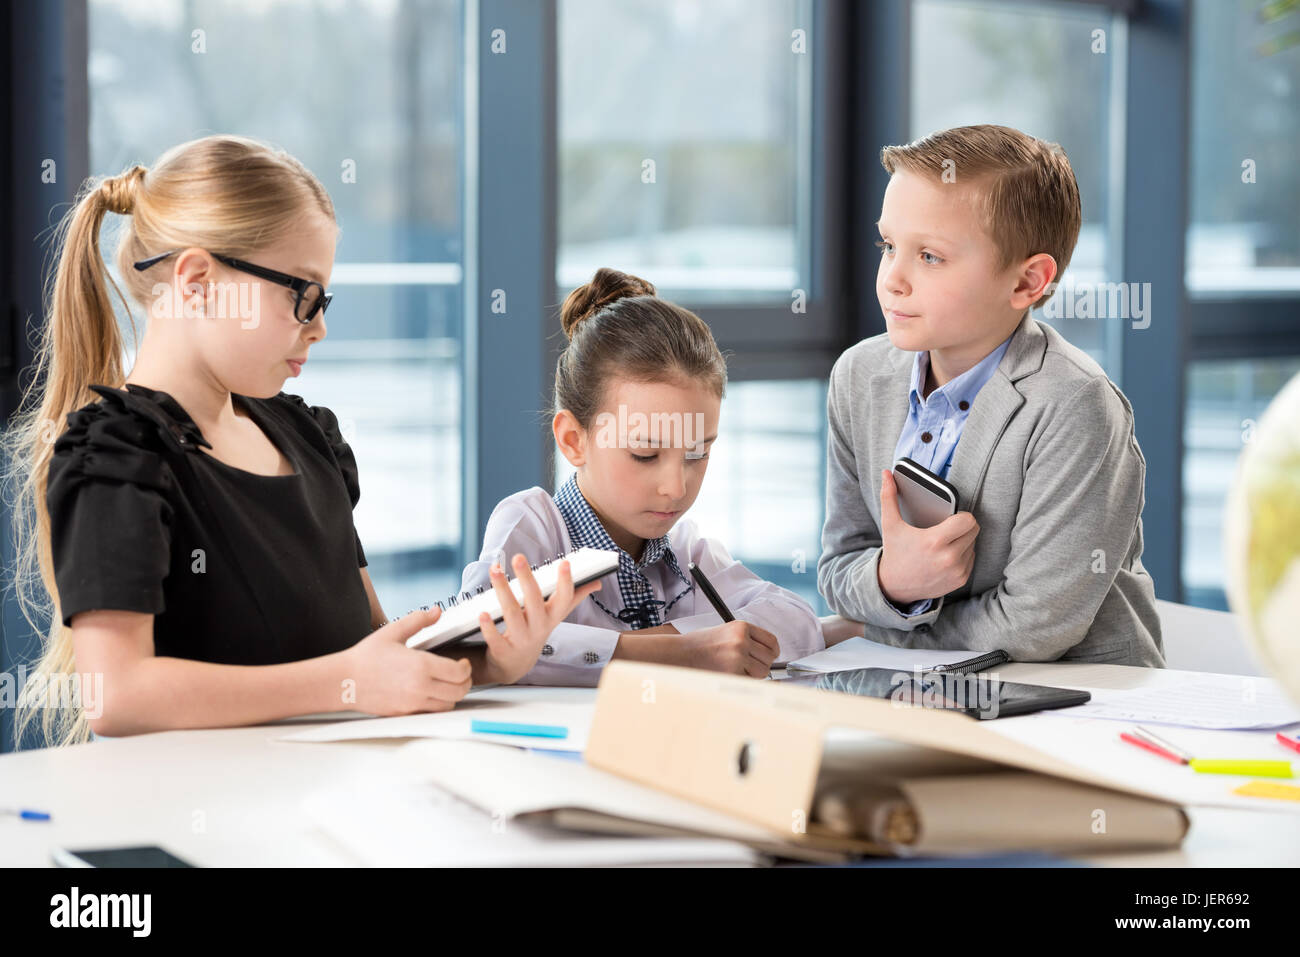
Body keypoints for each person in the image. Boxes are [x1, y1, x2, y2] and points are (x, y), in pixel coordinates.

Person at [6, 135, 596, 746]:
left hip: (329, 803)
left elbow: (368, 652)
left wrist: (489, 663)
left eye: (324, 300)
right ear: (198, 280)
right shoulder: (117, 454)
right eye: (302, 295)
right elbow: (119, 696)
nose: (318, 327)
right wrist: (343, 682)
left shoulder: (305, 436)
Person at [817, 124, 1163, 666]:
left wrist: (877, 627)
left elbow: (1035, 628)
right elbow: (839, 569)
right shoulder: (859, 375)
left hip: (1074, 702)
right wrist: (892, 579)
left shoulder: (1075, 404)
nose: (892, 279)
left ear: (1028, 283)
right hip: (925, 687)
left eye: (929, 256)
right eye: (888, 246)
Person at [458, 267, 825, 686]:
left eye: (698, 453)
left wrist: (689, 646)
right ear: (574, 440)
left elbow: (799, 623)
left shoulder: (690, 555)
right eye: (645, 454)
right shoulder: (532, 527)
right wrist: (682, 652)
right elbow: (477, 642)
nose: (676, 487)